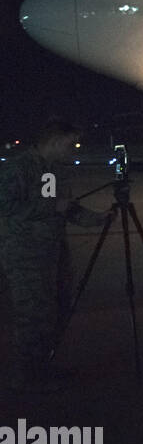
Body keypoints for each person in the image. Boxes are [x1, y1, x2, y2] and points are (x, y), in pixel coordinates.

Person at [0, 118, 107, 393]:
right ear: (56, 141)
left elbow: (65, 209)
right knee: (31, 313)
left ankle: (44, 364)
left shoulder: (57, 171)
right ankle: (26, 376)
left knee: (57, 307)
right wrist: (50, 206)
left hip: (53, 251)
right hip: (25, 254)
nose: (74, 149)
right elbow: (7, 206)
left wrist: (98, 219)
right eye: (71, 144)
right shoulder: (19, 167)